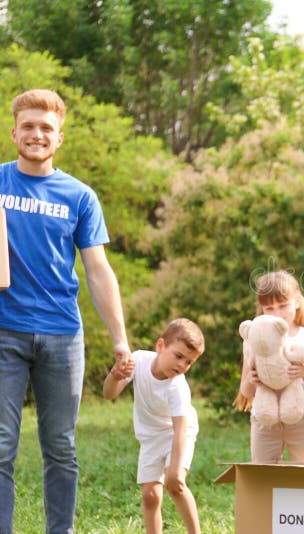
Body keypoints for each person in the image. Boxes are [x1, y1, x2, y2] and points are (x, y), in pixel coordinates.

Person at [0, 89, 132, 534]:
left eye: (46, 128)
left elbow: (98, 271)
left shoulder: (79, 197)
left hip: (62, 335)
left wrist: (119, 339)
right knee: (0, 446)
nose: (37, 134)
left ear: (59, 139)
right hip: (4, 333)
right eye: (29, 126)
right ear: (14, 130)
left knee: (61, 446)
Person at [103, 318, 205, 534]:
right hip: (150, 436)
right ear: (160, 346)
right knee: (150, 495)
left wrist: (176, 469)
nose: (181, 365)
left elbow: (180, 429)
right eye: (178, 356)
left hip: (179, 433)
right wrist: (115, 374)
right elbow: (109, 394)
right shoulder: (138, 360)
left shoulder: (177, 387)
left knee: (174, 485)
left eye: (188, 362)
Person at [235, 270, 304, 463]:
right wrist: (252, 381)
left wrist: (303, 373)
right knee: (263, 477)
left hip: (301, 418)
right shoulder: (254, 339)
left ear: (296, 302)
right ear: (261, 309)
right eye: (269, 308)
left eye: (283, 305)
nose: (277, 313)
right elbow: (244, 391)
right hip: (264, 421)